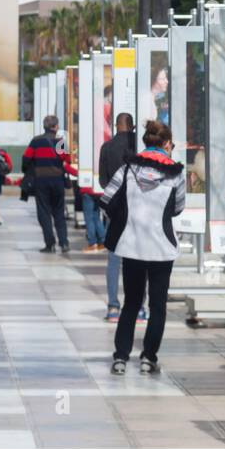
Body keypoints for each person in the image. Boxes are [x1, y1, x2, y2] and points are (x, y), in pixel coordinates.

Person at [102, 119, 186, 375]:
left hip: (132, 244)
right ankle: (149, 357)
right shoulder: (175, 172)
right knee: (158, 304)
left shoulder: (128, 168)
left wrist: (126, 215)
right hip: (161, 247)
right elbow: (178, 207)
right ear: (167, 144)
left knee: (131, 302)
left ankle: (120, 356)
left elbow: (106, 198)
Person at [99, 113, 142, 321]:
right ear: (133, 127)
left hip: (115, 210)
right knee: (138, 258)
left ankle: (113, 307)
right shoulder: (138, 145)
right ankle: (139, 307)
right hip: (137, 208)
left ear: (116, 126)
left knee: (114, 260)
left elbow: (102, 181)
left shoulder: (106, 148)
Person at [23, 114, 72, 253]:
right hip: (57, 181)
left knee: (44, 212)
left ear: (45, 126)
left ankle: (49, 244)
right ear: (55, 126)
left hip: (41, 181)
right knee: (59, 212)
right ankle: (64, 243)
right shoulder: (60, 141)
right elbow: (66, 159)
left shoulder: (36, 141)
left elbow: (26, 158)